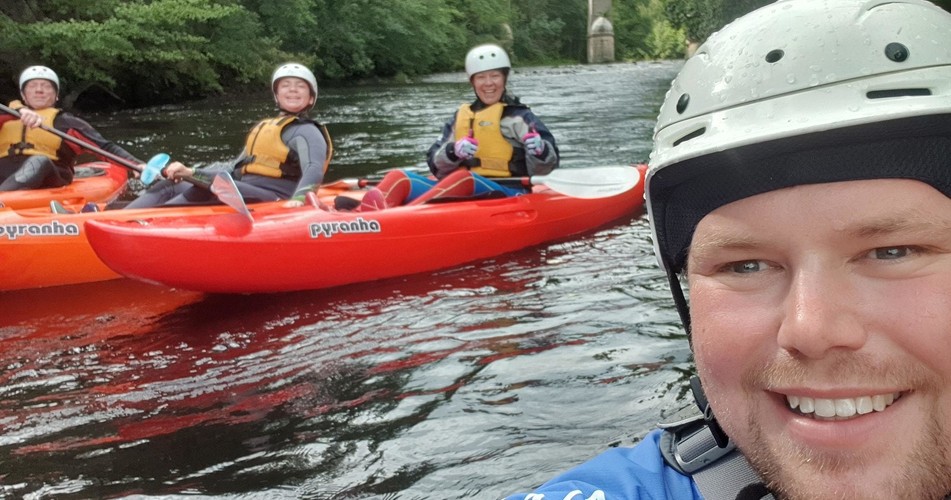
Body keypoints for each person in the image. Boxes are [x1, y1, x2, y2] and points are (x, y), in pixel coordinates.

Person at [507, 0, 951, 499]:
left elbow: (543, 154)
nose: (812, 329)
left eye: (894, 252)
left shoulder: (519, 116)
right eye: (745, 265)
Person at [346, 43, 558, 211]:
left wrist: (540, 151)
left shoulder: (520, 117)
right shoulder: (460, 118)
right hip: (461, 187)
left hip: (509, 191)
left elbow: (545, 169)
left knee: (462, 178)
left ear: (504, 78)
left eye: (495, 76)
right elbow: (436, 167)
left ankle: (399, 217)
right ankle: (361, 216)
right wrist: (452, 151)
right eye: (481, 77)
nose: (489, 83)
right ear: (472, 82)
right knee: (398, 176)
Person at [124, 62, 331, 209]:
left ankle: (144, 226)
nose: (293, 90)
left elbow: (313, 169)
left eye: (300, 86)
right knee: (173, 184)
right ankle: (122, 217)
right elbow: (233, 169)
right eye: (286, 85)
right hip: (245, 188)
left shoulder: (307, 131)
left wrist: (300, 198)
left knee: (214, 185)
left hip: (277, 197)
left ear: (311, 97)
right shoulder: (265, 128)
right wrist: (190, 174)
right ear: (277, 95)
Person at [0, 65, 144, 191]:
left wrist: (137, 165)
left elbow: (104, 148)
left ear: (56, 96)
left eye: (46, 86)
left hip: (50, 177)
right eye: (32, 86)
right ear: (23, 95)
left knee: (39, 161)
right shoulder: (6, 117)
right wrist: (17, 110)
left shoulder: (67, 123)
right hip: (5, 175)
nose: (39, 90)